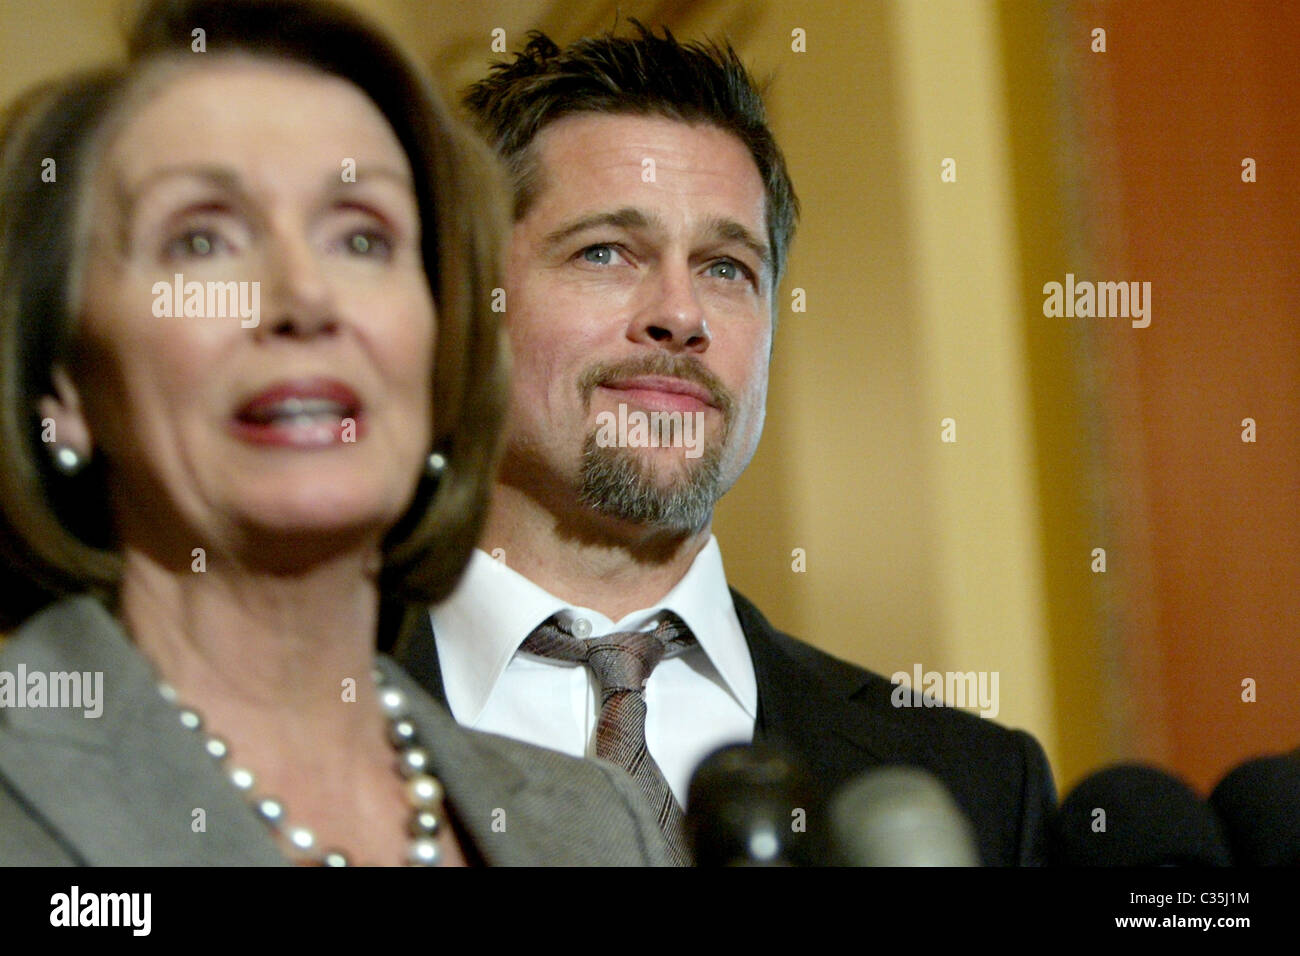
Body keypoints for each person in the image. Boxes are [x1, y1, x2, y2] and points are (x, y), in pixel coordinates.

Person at [0, 0, 669, 867]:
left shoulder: (602, 829)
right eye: (201, 239)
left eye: (362, 238)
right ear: (66, 383)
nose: (305, 299)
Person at [394, 23, 1057, 865]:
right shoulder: (285, 725)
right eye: (605, 252)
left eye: (725, 268)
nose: (681, 314)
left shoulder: (975, 785)